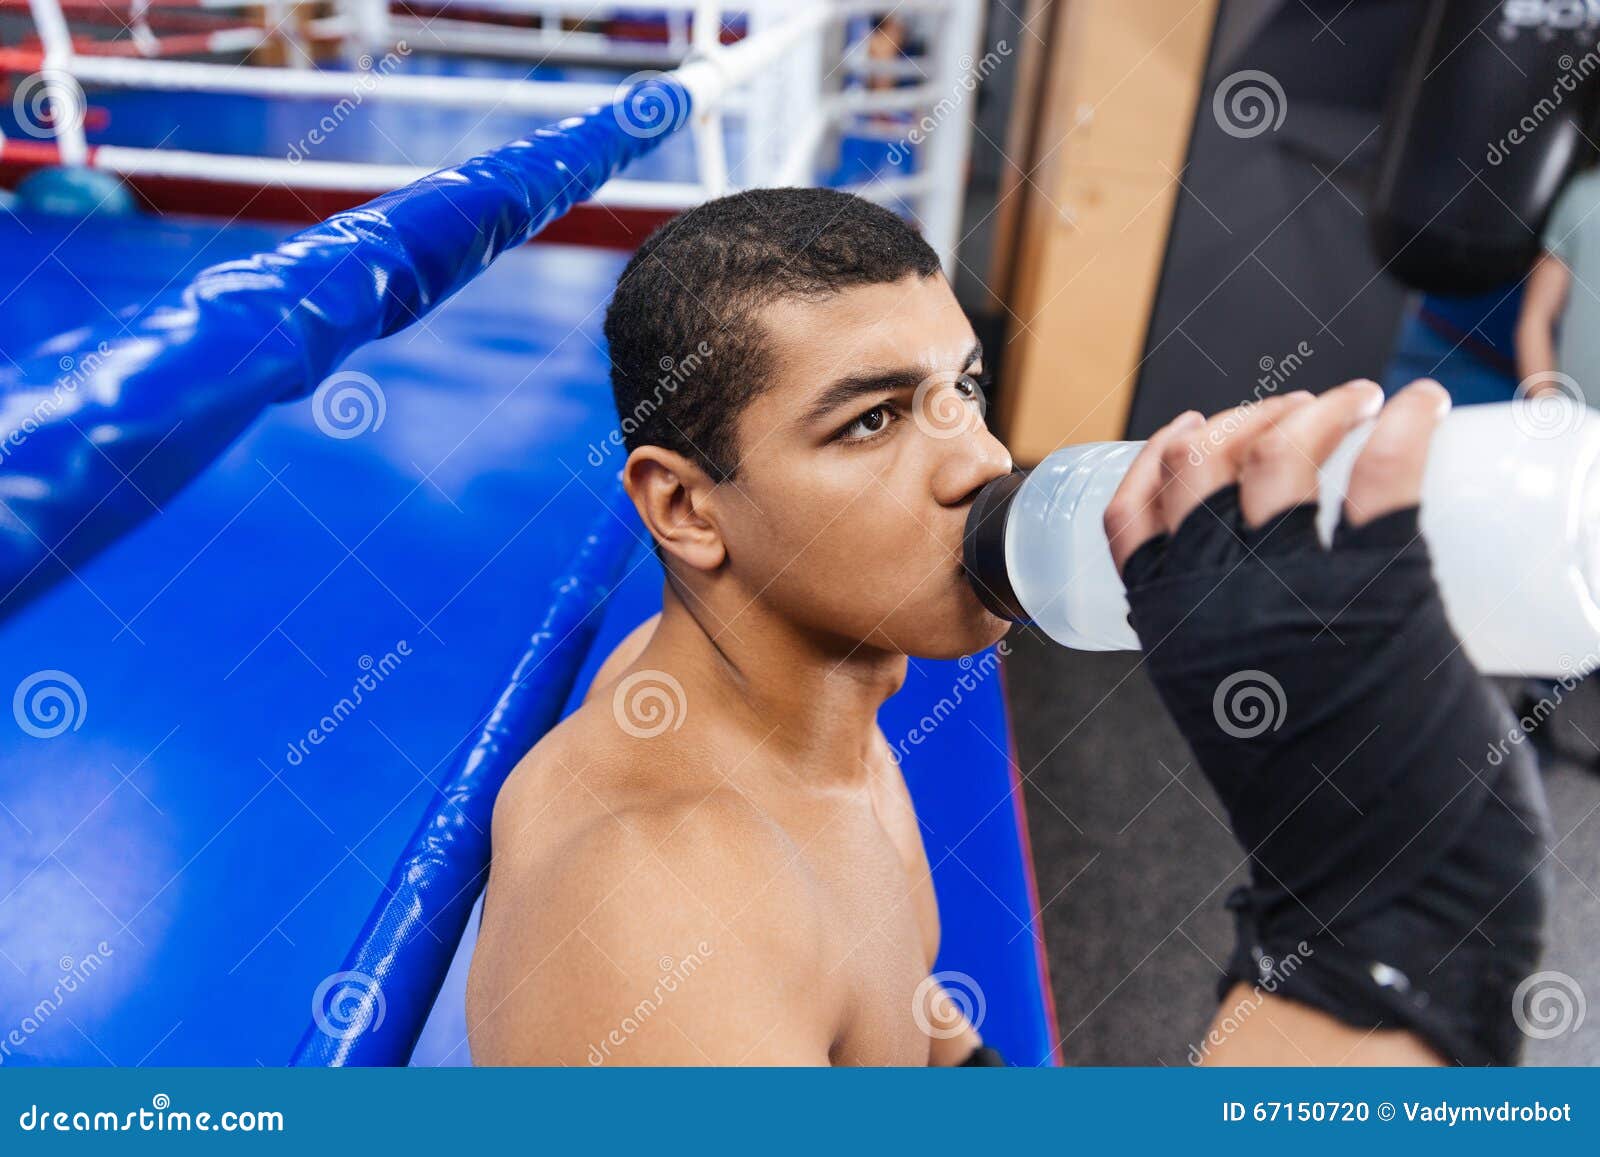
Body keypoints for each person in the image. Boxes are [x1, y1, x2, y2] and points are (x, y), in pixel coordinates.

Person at [466, 187, 1549, 1066]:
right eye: (872, 419)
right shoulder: (665, 904)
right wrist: (1372, 937)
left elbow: (897, 1014)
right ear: (685, 508)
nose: (981, 458)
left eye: (965, 387)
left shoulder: (804, 715)